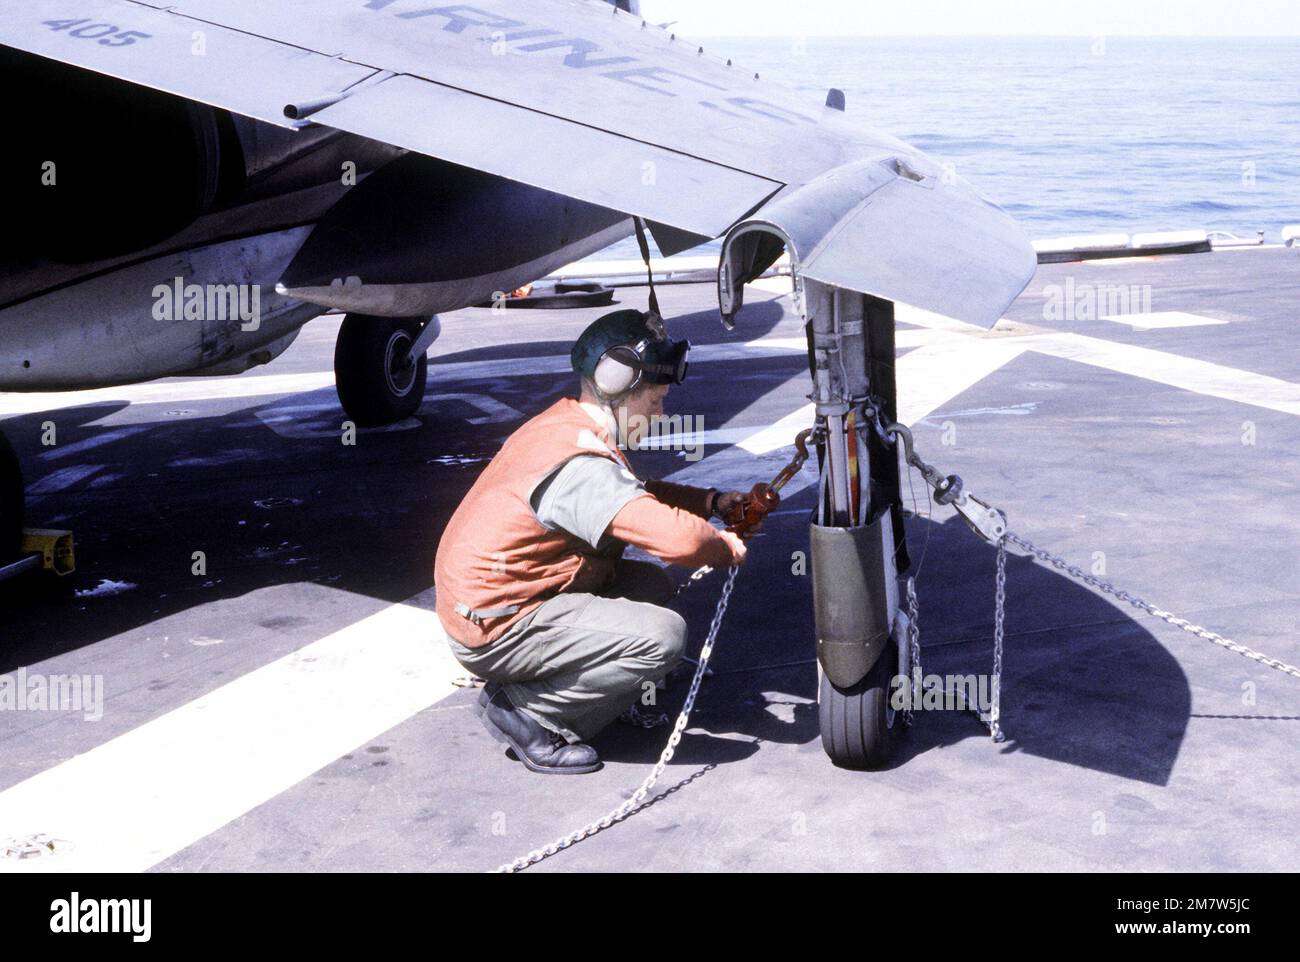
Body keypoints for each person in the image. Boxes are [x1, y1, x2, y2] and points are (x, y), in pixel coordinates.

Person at [434, 308, 751, 774]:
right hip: (497, 630)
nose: (661, 414)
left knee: (650, 590)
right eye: (657, 400)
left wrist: (713, 502)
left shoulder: (567, 426)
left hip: (501, 604)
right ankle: (527, 713)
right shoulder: (580, 466)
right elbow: (681, 543)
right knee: (662, 637)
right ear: (621, 386)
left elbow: (633, 493)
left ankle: (584, 693)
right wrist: (725, 547)